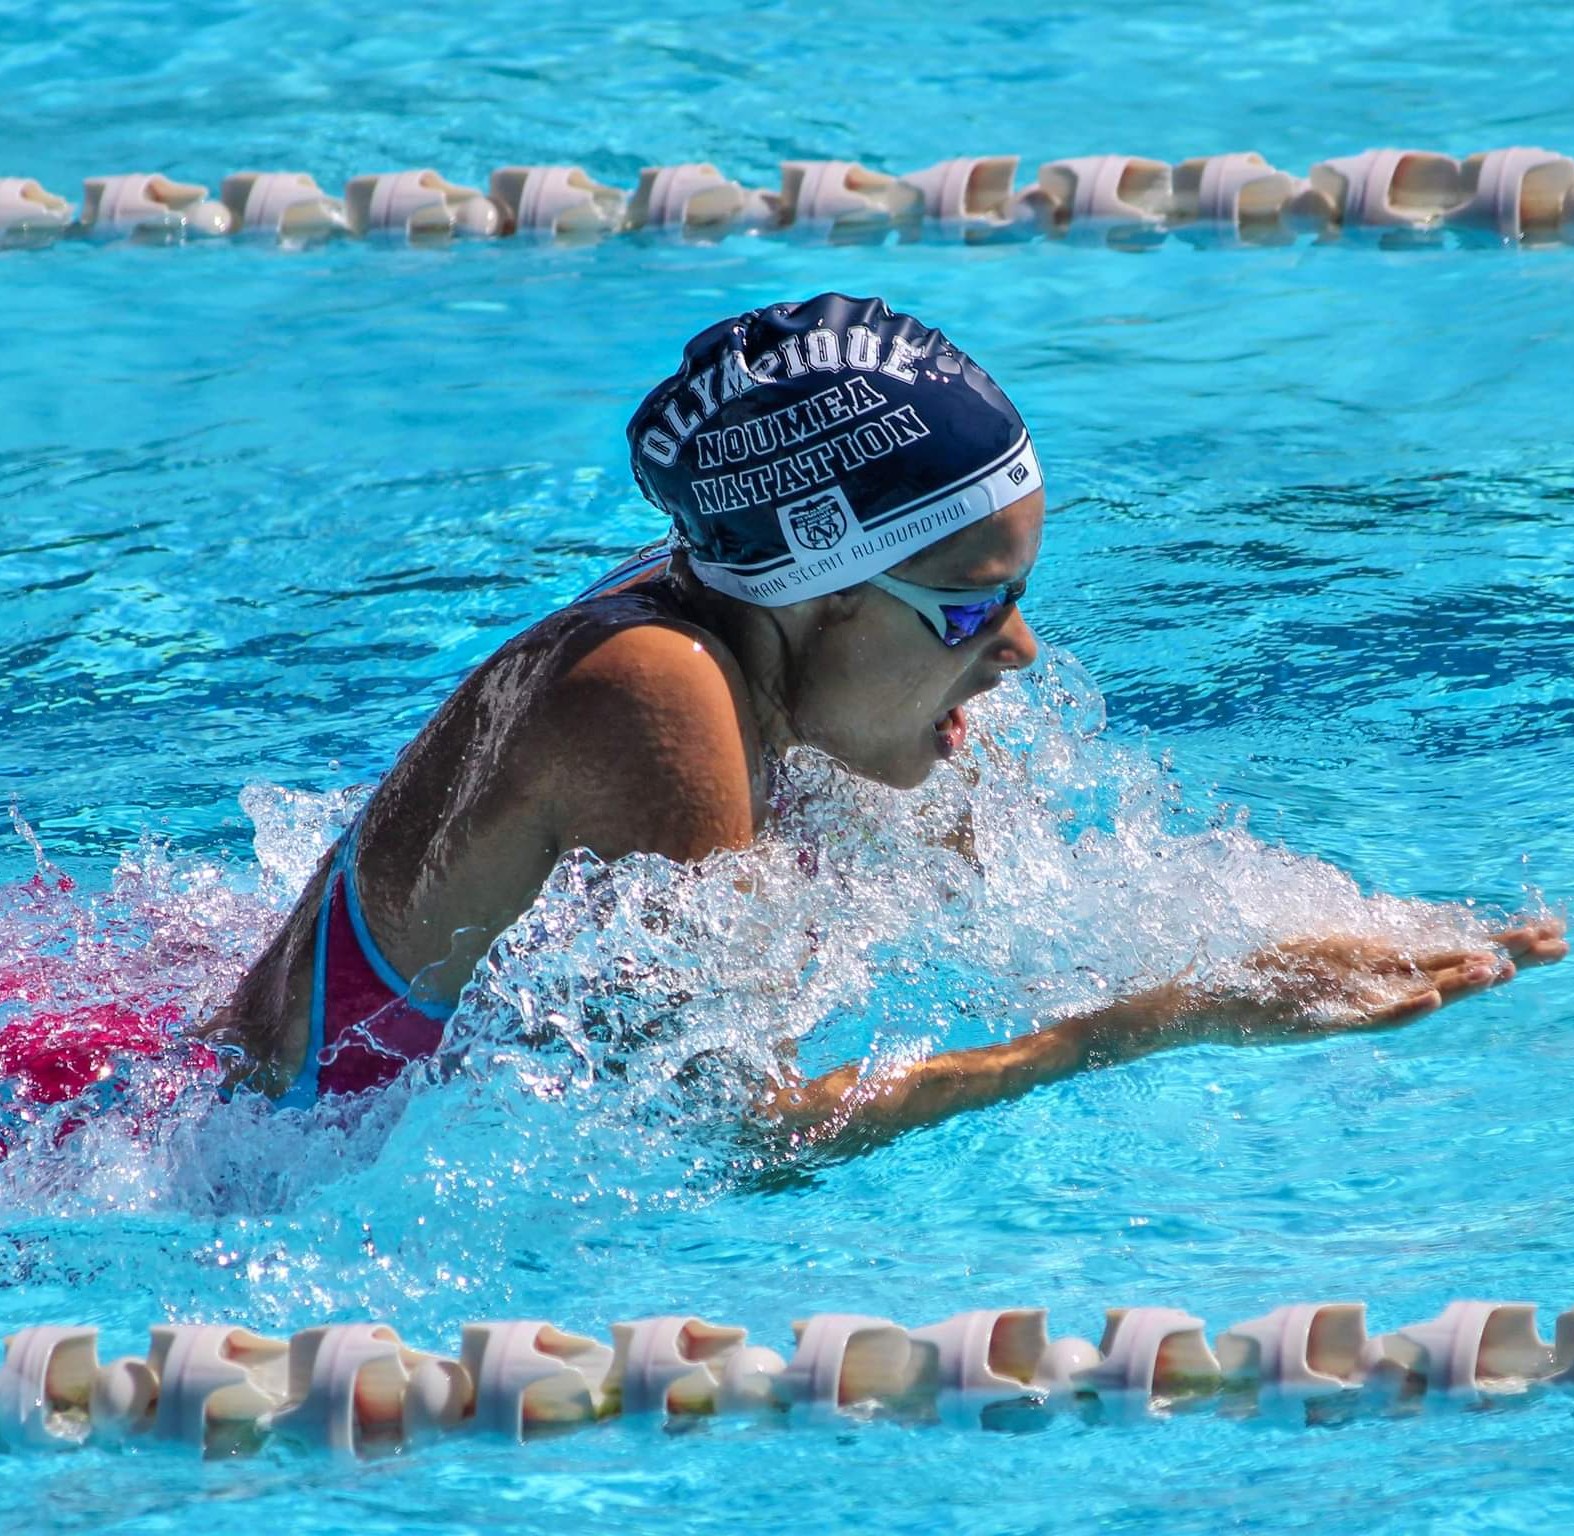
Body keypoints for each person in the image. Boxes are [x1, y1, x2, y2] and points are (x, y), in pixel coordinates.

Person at [204, 293, 1566, 1139]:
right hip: (205, 1166)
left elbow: (1005, 912)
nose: (1019, 654)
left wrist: (1301, 946)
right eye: (971, 613)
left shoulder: (775, 644)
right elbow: (730, 1140)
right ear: (819, 598)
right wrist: (1145, 1024)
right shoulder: (655, 696)